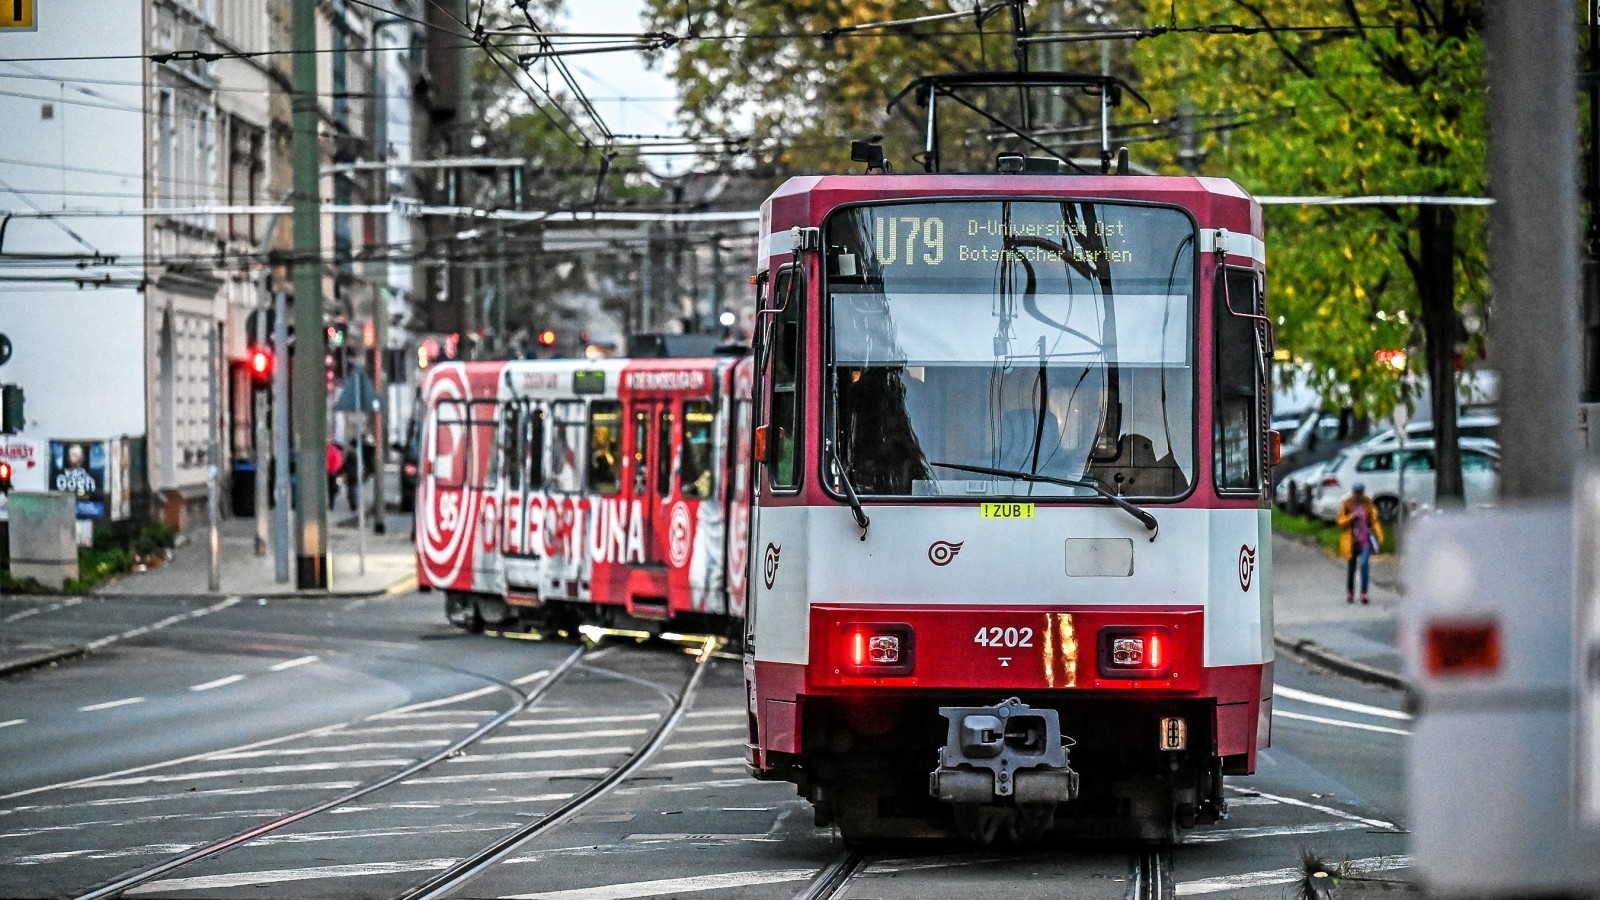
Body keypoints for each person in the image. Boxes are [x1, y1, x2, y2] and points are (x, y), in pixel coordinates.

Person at [1337, 481, 1385, 604]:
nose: (1358, 495)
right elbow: (1340, 521)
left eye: (1360, 493)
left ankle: (1364, 592)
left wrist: (1379, 537)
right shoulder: (1347, 504)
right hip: (1352, 541)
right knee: (1351, 568)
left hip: (1365, 541)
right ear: (1353, 492)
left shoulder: (1368, 504)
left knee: (1364, 565)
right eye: (1356, 493)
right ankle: (1350, 592)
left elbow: (1374, 521)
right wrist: (1351, 517)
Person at [326, 440, 344, 506]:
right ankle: (331, 503)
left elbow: (337, 462)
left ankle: (331, 503)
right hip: (333, 472)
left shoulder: (332, 450)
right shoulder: (335, 450)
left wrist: (331, 470)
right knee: (332, 488)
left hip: (331, 472)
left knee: (331, 488)